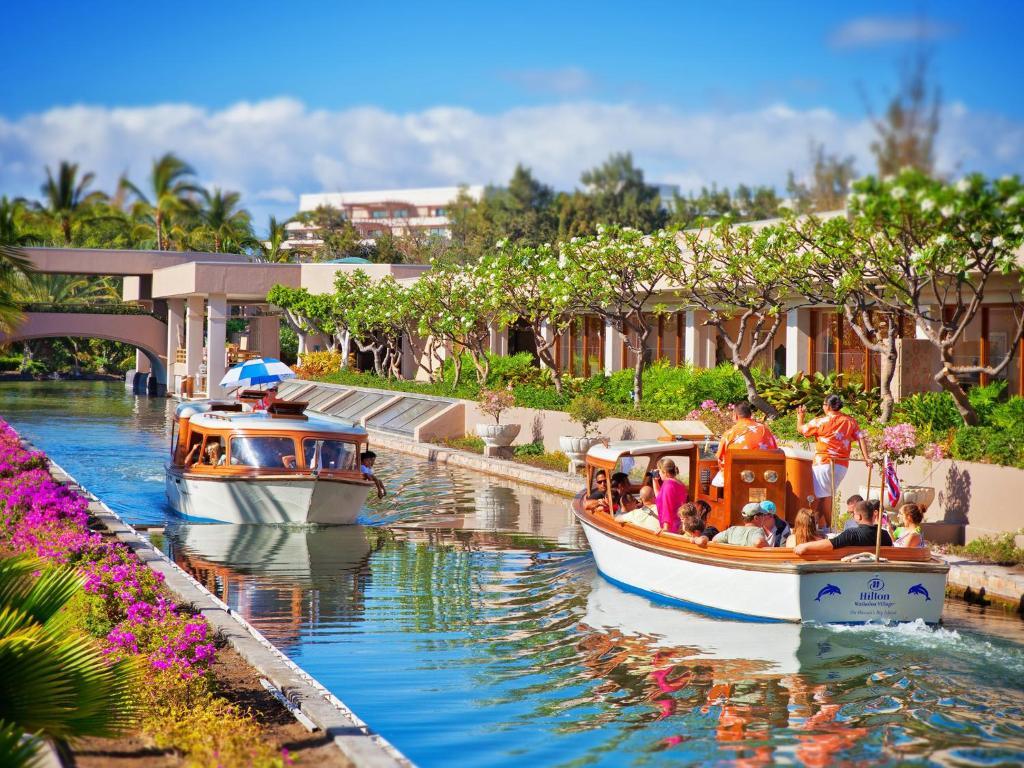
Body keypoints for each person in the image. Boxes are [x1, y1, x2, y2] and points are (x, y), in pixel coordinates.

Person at [796, 395, 870, 527]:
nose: (823, 407)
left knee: (826, 496)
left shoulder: (820, 421)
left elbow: (801, 429)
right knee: (824, 496)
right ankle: (814, 526)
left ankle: (832, 528)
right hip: (841, 465)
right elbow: (861, 437)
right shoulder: (850, 421)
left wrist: (800, 417)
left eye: (824, 405)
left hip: (823, 462)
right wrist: (866, 457)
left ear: (828, 406)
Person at [712, 402, 779, 487]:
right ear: (750, 415)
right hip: (764, 476)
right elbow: (775, 452)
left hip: (738, 477)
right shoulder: (765, 430)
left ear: (735, 415)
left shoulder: (730, 433)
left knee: (714, 483)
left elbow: (721, 459)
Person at [794, 499, 893, 555]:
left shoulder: (852, 534)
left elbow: (831, 544)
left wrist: (805, 546)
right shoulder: (884, 534)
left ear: (859, 516)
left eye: (853, 514)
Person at [652, 458, 688, 534]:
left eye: (659, 471)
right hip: (679, 526)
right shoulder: (679, 483)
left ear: (664, 472)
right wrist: (655, 481)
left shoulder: (668, 485)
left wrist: (666, 528)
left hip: (671, 529)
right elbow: (660, 497)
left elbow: (666, 507)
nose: (659, 473)